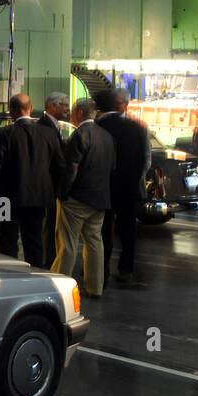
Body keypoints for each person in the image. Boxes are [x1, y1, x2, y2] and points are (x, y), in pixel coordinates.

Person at [53, 97, 115, 297]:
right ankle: (95, 287)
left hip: (78, 199)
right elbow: (111, 168)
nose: (70, 114)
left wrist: (64, 193)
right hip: (101, 198)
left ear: (79, 113)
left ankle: (59, 286)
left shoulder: (80, 135)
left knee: (68, 243)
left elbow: (73, 168)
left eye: (72, 110)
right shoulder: (107, 136)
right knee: (95, 242)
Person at [0, 94, 61, 267]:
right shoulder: (49, 134)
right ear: (30, 108)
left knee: (7, 240)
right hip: (38, 199)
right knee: (34, 240)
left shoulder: (4, 133)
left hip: (6, 200)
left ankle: (9, 273)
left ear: (11, 111)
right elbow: (59, 166)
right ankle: (34, 273)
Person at [95, 88, 151, 286]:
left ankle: (102, 270)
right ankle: (125, 271)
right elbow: (145, 161)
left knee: (102, 232)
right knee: (128, 234)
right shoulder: (137, 128)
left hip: (105, 188)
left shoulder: (99, 127)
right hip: (129, 189)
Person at [38, 91, 70, 263]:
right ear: (52, 106)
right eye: (64, 104)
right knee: (48, 227)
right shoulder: (45, 126)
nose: (67, 108)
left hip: (51, 186)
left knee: (51, 227)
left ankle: (48, 258)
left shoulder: (55, 125)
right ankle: (46, 260)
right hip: (48, 186)